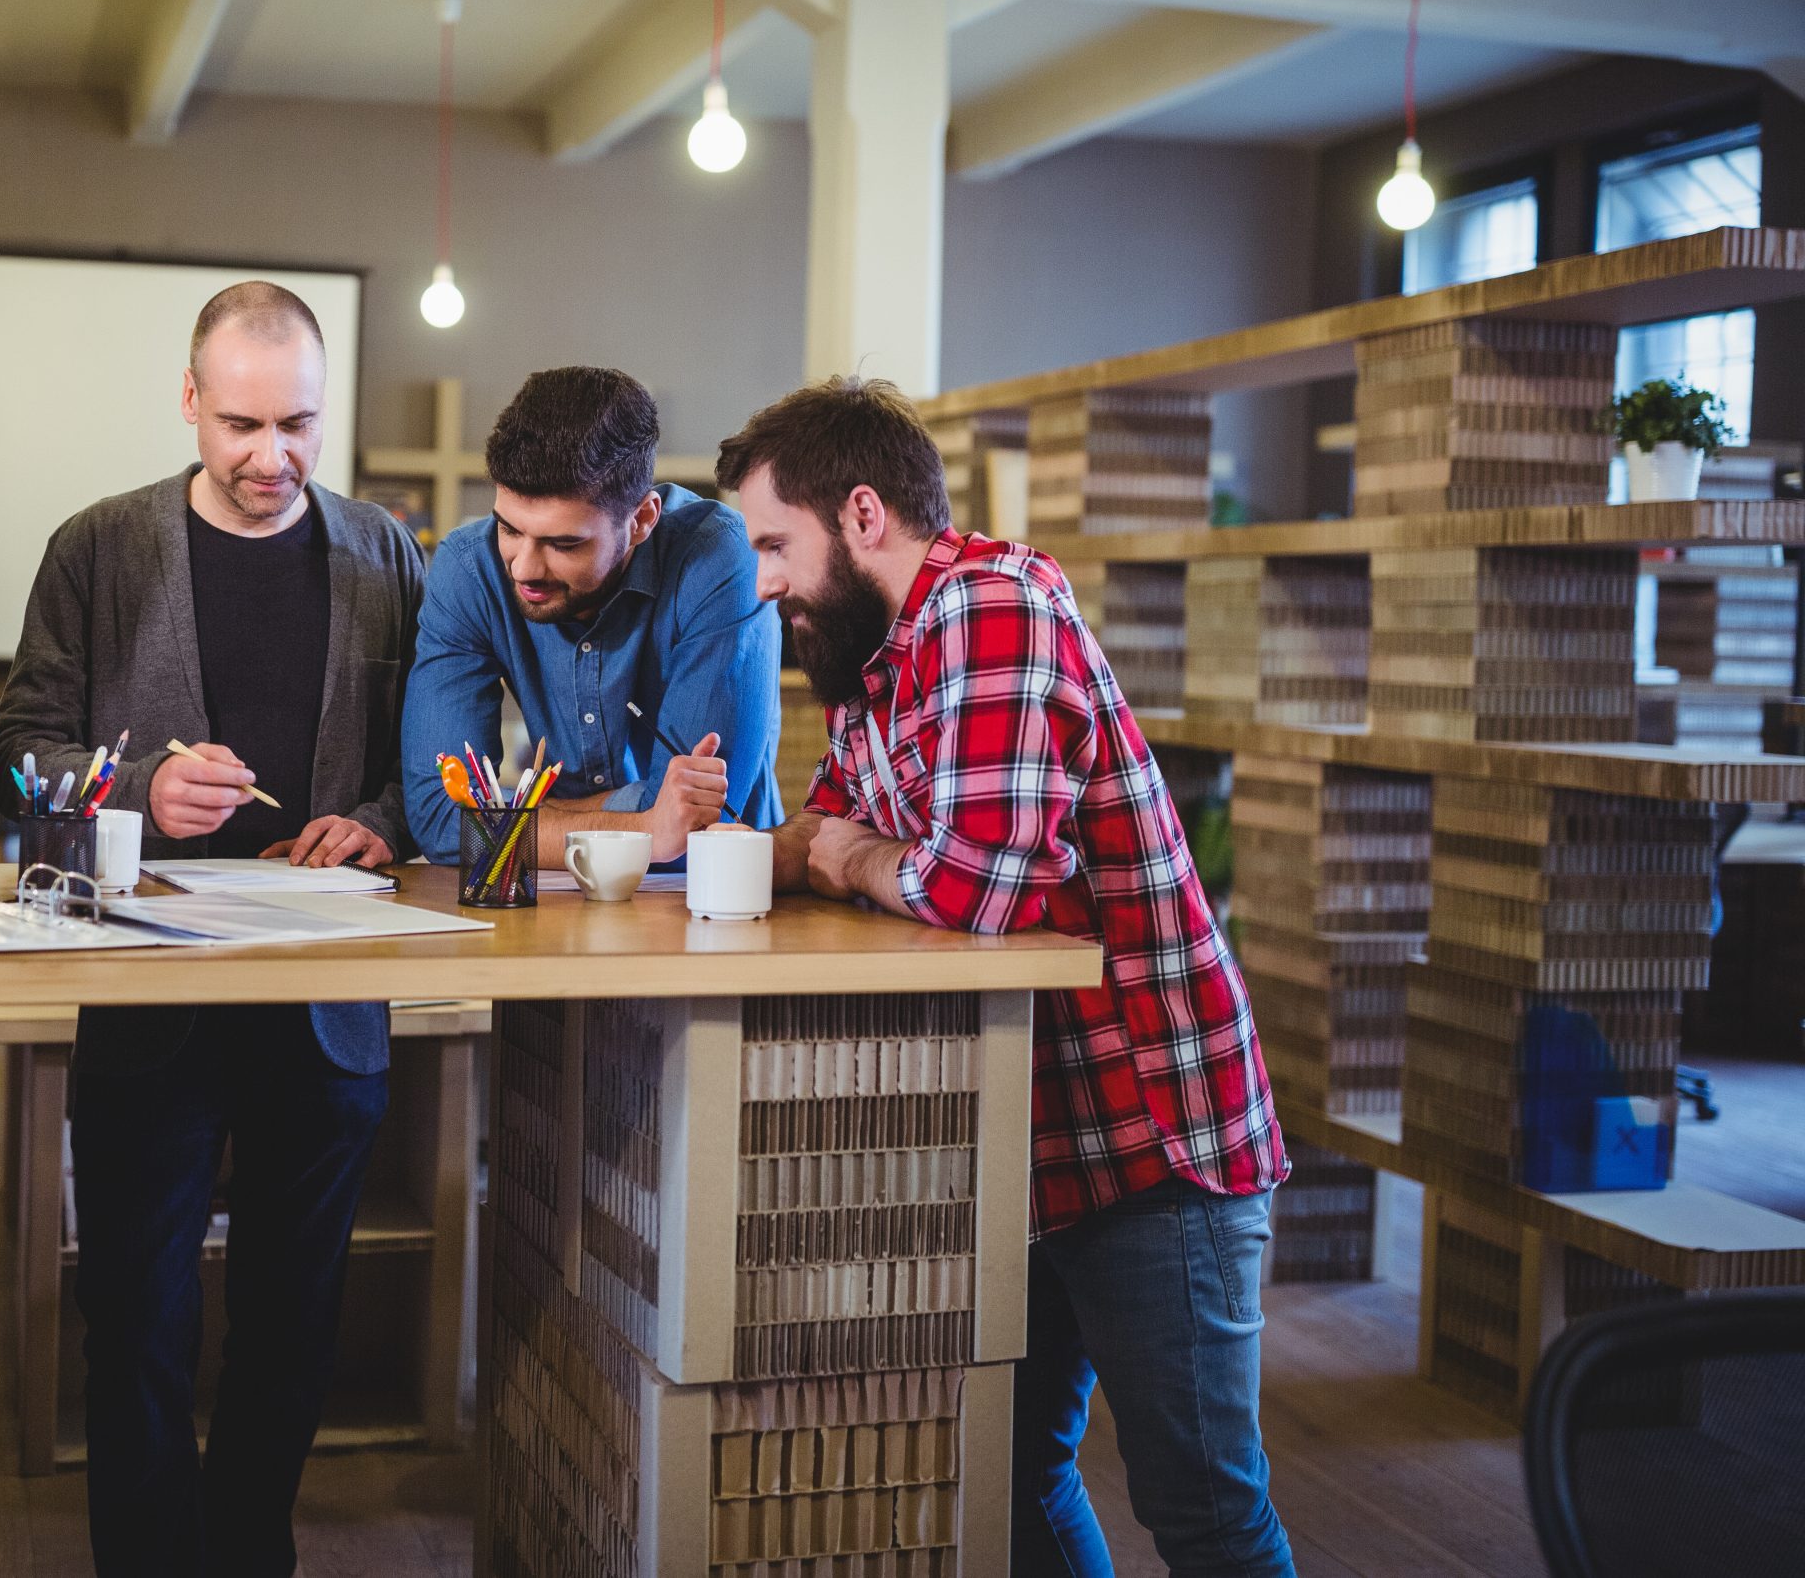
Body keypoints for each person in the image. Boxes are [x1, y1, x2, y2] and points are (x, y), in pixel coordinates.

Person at [717, 376, 1296, 1578]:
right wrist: (698, 856)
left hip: (1150, 1136)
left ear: (862, 514)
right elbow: (824, 828)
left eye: (773, 544)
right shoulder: (875, 660)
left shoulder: (990, 606)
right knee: (1003, 1479)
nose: (761, 583)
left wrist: (855, 860)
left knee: (1202, 1514)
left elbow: (980, 886)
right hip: (1022, 1143)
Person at [0, 281, 423, 1577]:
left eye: (298, 424)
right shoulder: (96, 547)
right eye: (241, 424)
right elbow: (14, 755)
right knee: (137, 1316)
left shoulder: (385, 554)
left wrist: (378, 822)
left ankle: (250, 1553)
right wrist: (134, 786)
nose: (271, 456)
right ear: (188, 401)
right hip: (149, 996)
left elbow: (434, 761)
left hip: (324, 1001)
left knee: (294, 1321)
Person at [400, 366, 781, 868]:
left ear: (642, 519)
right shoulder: (469, 568)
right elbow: (440, 820)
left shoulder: (721, 561)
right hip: (558, 894)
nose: (524, 568)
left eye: (564, 543)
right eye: (509, 529)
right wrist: (644, 825)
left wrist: (513, 819)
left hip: (713, 891)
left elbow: (694, 831)